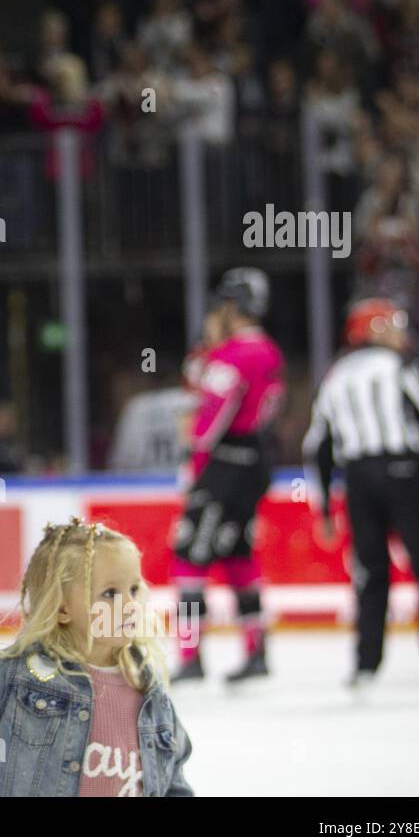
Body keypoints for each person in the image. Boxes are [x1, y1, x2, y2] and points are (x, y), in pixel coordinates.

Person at [0, 519, 193, 797]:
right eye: (110, 593)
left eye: (133, 590)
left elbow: (172, 778)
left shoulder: (148, 690)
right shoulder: (24, 676)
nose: (131, 605)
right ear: (62, 609)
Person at [302, 298, 419, 693]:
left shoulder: (335, 376)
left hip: (359, 480)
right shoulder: (398, 367)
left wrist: (324, 507)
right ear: (372, 330)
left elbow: (319, 446)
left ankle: (365, 666)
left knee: (370, 574)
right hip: (406, 473)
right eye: (391, 325)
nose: (400, 332)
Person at [170, 268, 284, 685]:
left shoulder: (234, 355)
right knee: (237, 553)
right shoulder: (268, 351)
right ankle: (256, 652)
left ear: (232, 306)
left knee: (187, 557)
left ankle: (190, 656)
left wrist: (194, 443)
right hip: (254, 463)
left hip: (224, 467)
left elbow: (208, 421)